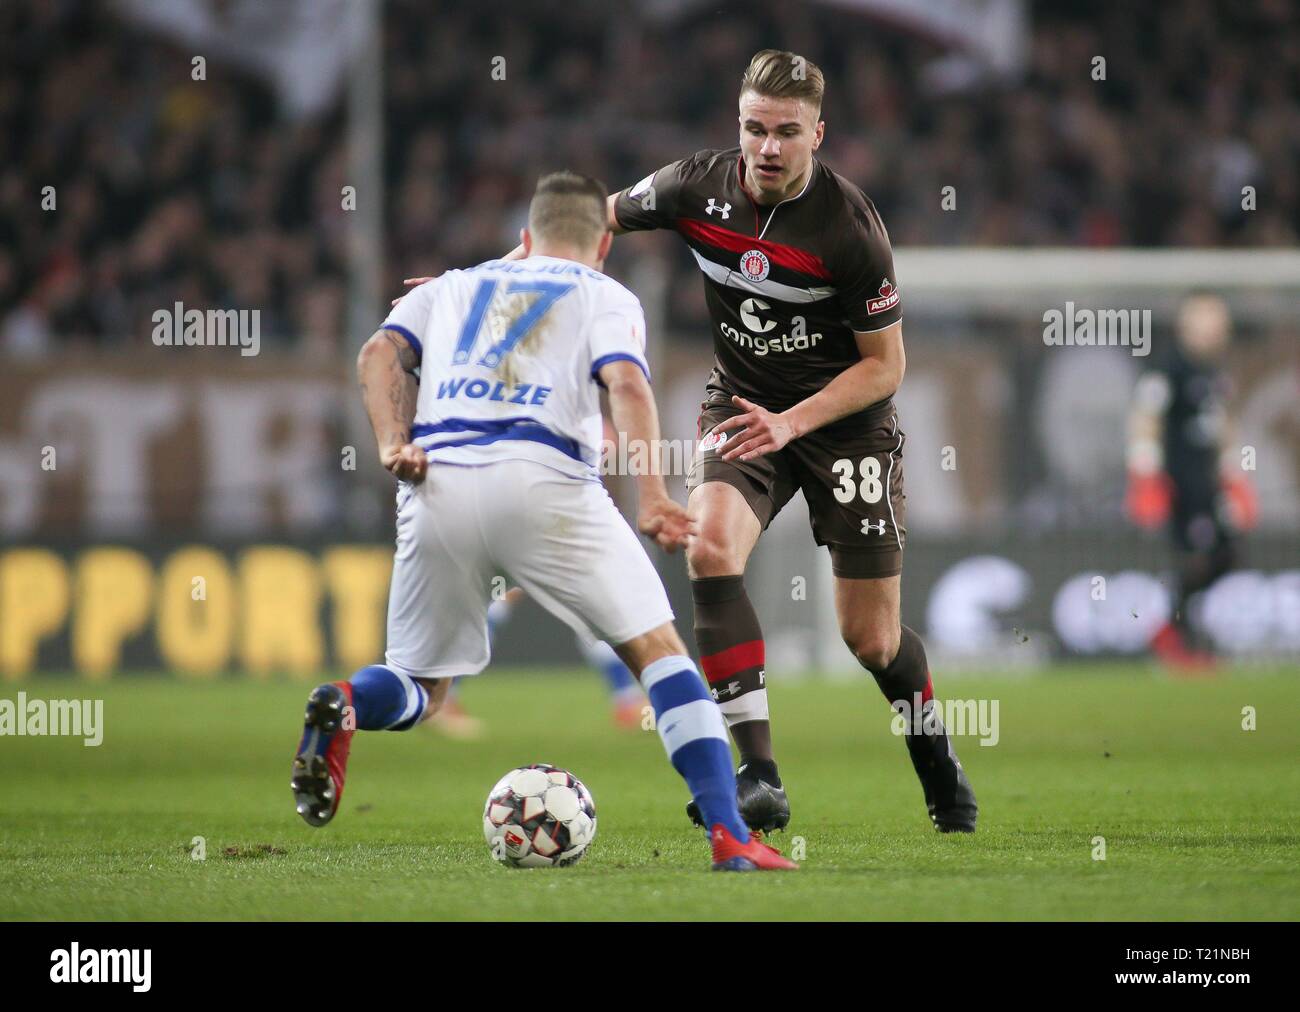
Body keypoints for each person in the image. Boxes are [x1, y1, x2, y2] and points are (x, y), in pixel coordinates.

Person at [291, 170, 796, 871]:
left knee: (422, 687)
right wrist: (650, 494)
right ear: (600, 248)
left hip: (436, 483)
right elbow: (626, 383)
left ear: (524, 238)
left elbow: (378, 354)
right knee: (660, 653)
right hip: (547, 482)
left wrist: (389, 442)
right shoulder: (604, 293)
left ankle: (344, 702)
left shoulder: (447, 286)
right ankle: (729, 836)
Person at [1126, 291, 1257, 667]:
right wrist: (1145, 472)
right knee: (1195, 558)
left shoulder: (1217, 372)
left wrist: (1236, 475)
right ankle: (1178, 641)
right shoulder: (1169, 367)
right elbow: (1145, 414)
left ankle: (1173, 631)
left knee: (1227, 553)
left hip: (1208, 483)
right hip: (1180, 484)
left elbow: (1225, 423)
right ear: (1188, 326)